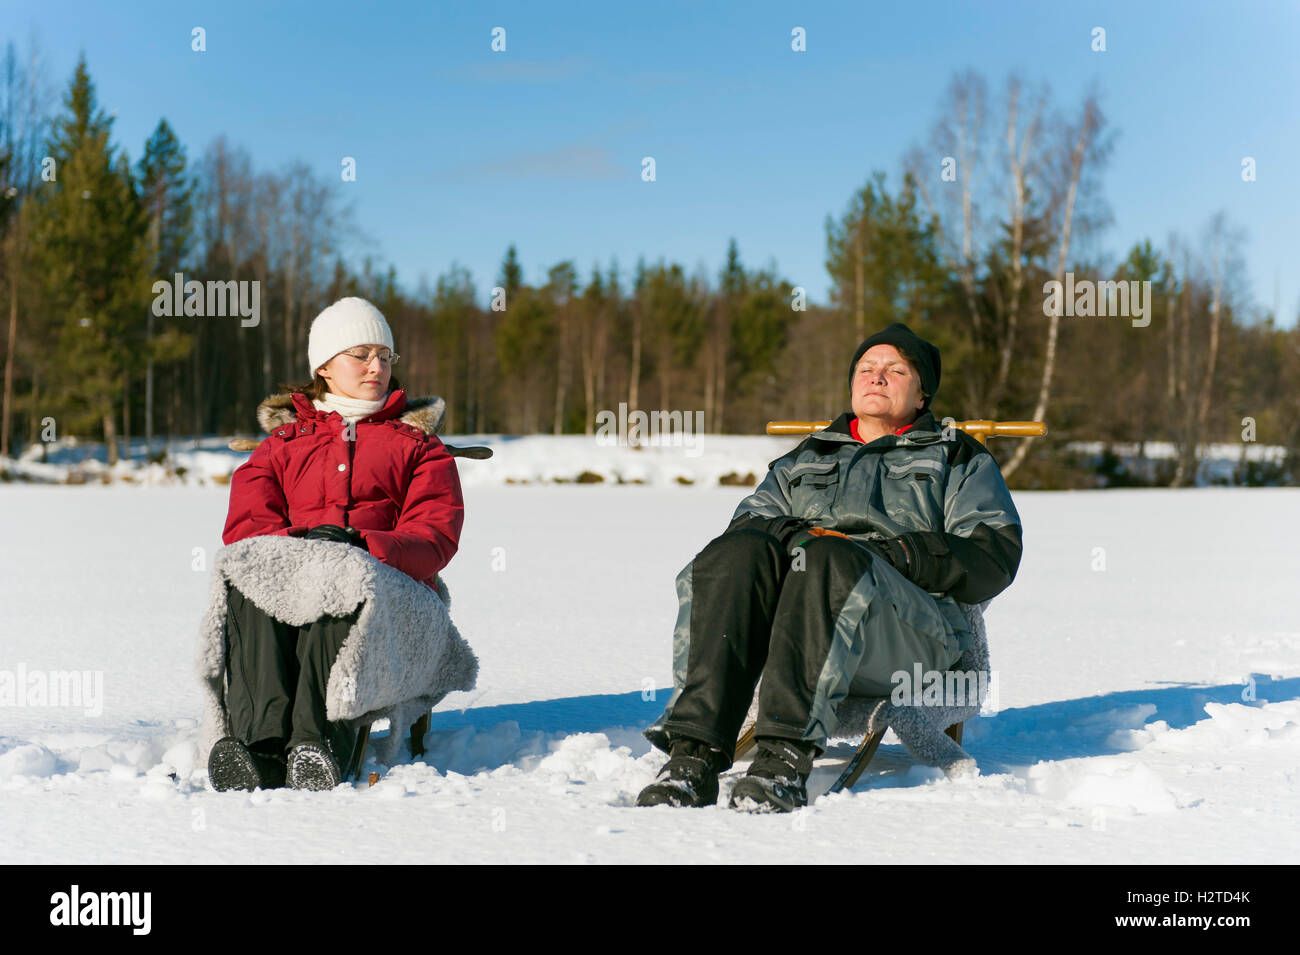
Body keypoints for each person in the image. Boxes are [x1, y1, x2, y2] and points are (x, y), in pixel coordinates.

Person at [638, 322, 1023, 812]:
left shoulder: (957, 456)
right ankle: (692, 755)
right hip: (802, 621)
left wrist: (898, 554)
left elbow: (994, 554)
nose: (877, 377)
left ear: (922, 394)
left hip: (909, 635)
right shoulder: (807, 457)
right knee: (731, 555)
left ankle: (784, 758)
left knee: (828, 559)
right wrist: (798, 538)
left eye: (895, 369)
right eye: (866, 368)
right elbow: (749, 529)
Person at [208, 297, 465, 792]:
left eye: (385, 356)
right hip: (290, 573)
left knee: (341, 577)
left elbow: (434, 534)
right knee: (250, 579)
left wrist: (359, 545)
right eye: (361, 354)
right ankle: (259, 747)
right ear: (324, 367)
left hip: (388, 587)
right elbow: (246, 528)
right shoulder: (282, 444)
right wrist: (305, 547)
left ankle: (319, 744)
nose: (377, 366)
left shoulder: (419, 446)